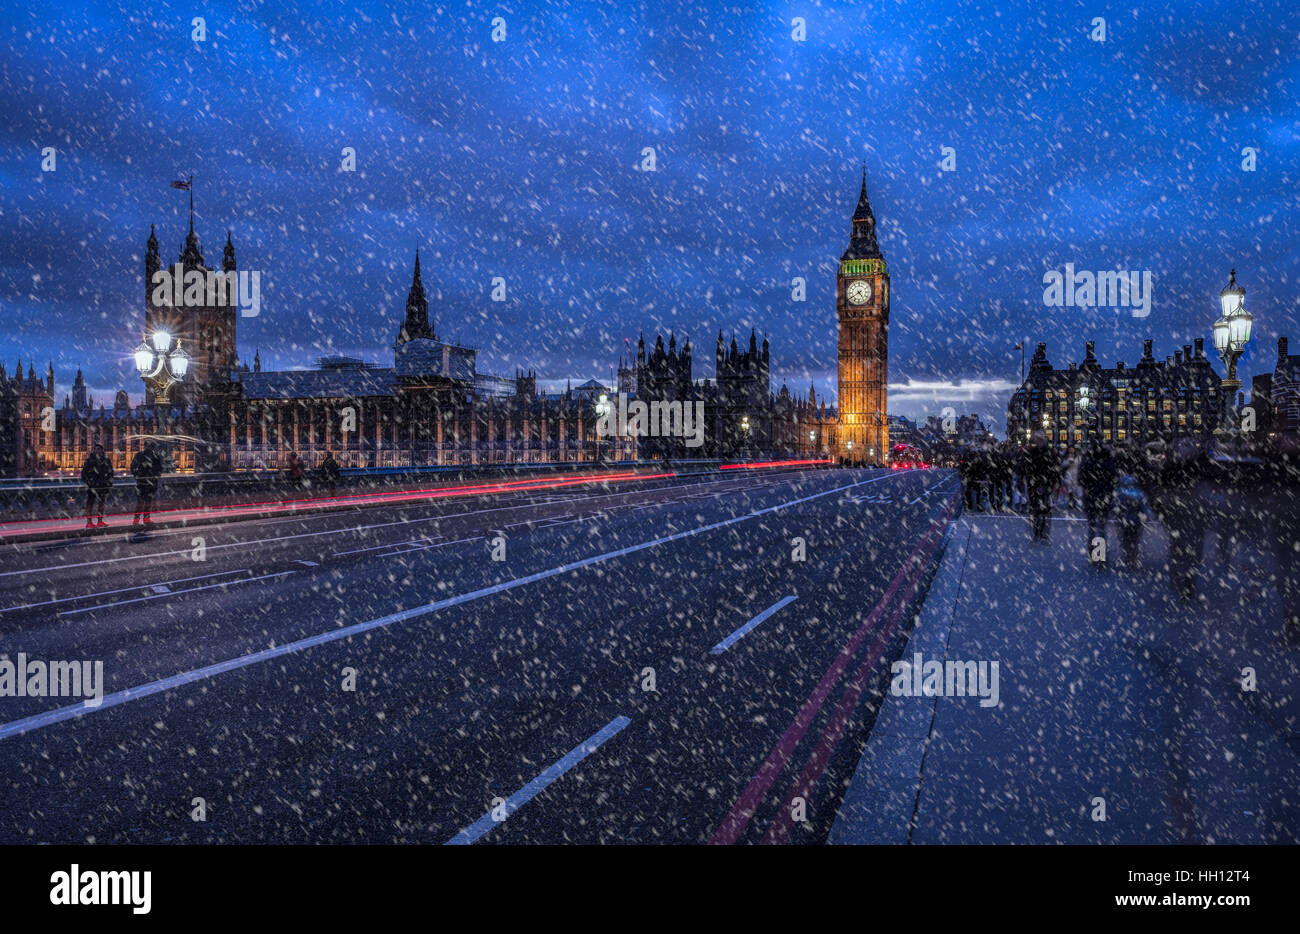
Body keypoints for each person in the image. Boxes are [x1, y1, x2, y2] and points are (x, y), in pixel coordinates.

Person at [1153, 437, 1206, 601]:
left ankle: (1178, 576)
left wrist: (1162, 514)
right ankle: (1188, 582)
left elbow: (1159, 492)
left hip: (1177, 514)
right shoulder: (1202, 468)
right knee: (1193, 549)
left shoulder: (1170, 468)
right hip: (1193, 514)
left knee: (1178, 545)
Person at [1079, 441, 1118, 567]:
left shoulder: (1087, 463)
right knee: (1101, 527)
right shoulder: (1108, 463)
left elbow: (1081, 480)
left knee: (1091, 526)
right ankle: (1100, 556)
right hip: (1104, 498)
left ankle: (1093, 556)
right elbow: (1114, 480)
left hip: (1090, 497)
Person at [1020, 430, 1059, 542]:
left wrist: (1055, 481)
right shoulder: (1031, 452)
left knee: (1045, 510)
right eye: (1037, 439)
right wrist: (1026, 478)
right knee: (1035, 509)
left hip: (1045, 484)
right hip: (1035, 484)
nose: (1039, 441)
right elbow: (1025, 467)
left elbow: (1056, 468)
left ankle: (1043, 533)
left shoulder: (1051, 452)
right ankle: (1037, 532)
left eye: (1041, 439)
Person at [1114, 472, 1151, 568]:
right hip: (1136, 520)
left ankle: (1127, 556)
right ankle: (1133, 557)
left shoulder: (1120, 493)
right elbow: (1144, 508)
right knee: (1135, 538)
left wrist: (1117, 516)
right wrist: (1145, 517)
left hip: (1124, 520)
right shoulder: (1139, 494)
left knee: (1125, 538)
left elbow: (1115, 507)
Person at [129, 441, 163, 526]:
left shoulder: (155, 456)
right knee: (141, 502)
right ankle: (137, 519)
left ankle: (145, 519)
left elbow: (159, 469)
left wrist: (155, 477)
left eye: (150, 446)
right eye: (147, 446)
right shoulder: (140, 455)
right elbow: (133, 467)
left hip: (150, 483)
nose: (149, 448)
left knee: (148, 502)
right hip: (143, 482)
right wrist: (138, 475)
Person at [80, 443, 114, 528]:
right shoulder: (89, 461)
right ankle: (89, 522)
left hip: (102, 486)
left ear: (102, 450)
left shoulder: (106, 460)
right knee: (90, 504)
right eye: (96, 449)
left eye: (99, 449)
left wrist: (108, 482)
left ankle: (100, 521)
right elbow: (83, 474)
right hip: (92, 486)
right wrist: (89, 483)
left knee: (101, 504)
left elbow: (111, 473)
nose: (97, 451)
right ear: (94, 451)